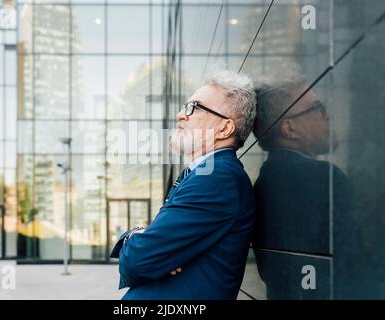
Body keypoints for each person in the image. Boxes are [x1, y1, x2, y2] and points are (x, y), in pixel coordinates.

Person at [110, 69, 257, 300]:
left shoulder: (217, 178)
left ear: (225, 128)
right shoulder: (202, 173)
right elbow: (151, 248)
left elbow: (140, 259)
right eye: (184, 106)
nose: (180, 115)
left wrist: (133, 237)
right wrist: (147, 240)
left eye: (194, 108)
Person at [252, 74, 351, 299]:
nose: (329, 115)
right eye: (318, 108)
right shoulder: (322, 178)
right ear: (290, 129)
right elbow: (355, 265)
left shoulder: (265, 181)